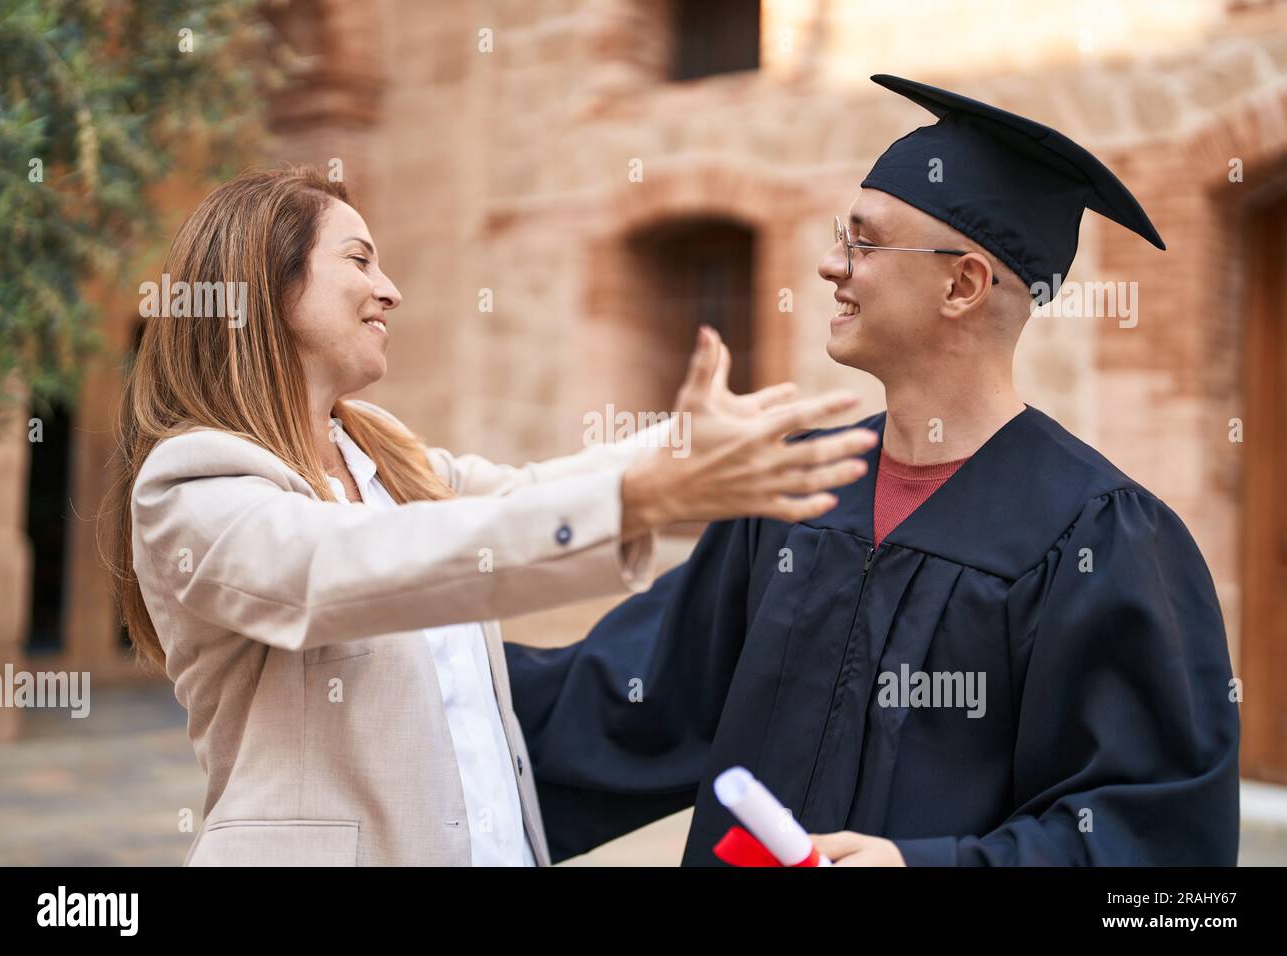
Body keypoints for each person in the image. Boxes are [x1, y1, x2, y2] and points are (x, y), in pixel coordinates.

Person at [505, 75, 1241, 867]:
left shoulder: (1099, 537)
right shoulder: (795, 489)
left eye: (863, 240)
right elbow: (628, 697)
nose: (830, 264)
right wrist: (410, 660)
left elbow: (1153, 839)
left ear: (961, 285)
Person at [99, 165, 878, 866]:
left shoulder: (385, 457)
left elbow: (520, 496)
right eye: (360, 259)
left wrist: (676, 450)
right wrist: (637, 501)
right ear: (266, 282)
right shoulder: (194, 484)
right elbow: (331, 572)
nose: (391, 290)